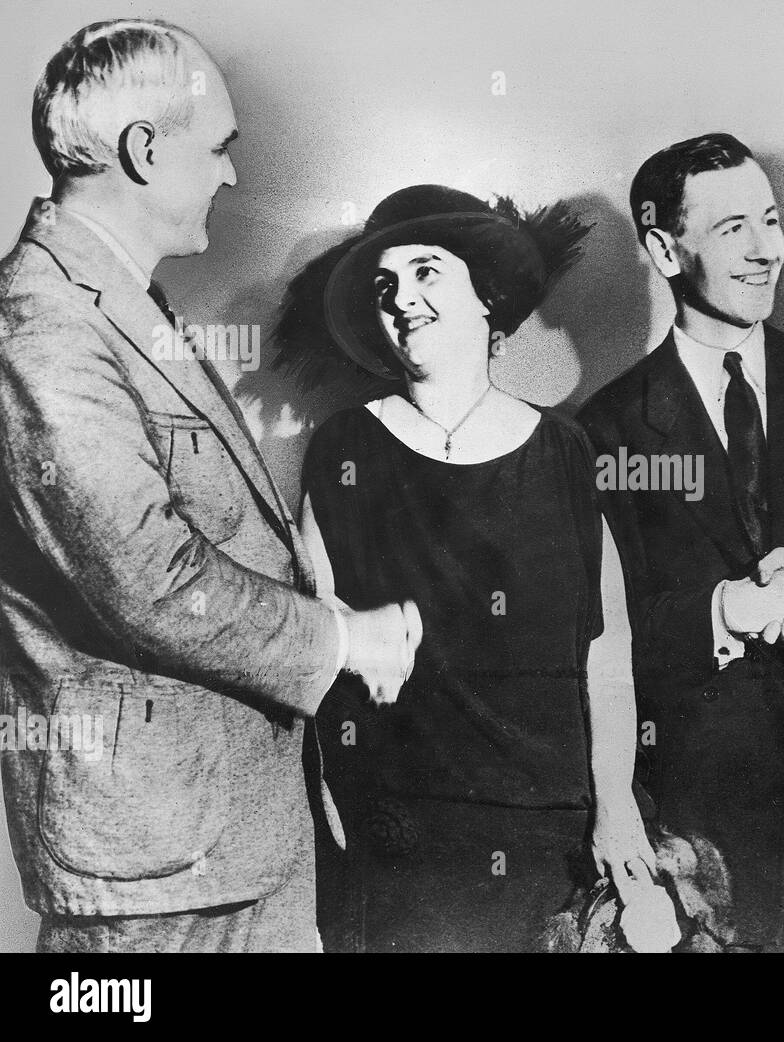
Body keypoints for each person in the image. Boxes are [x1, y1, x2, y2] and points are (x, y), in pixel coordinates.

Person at [0, 19, 418, 953]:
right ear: (143, 152)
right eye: (220, 147)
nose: (231, 176)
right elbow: (147, 577)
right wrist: (342, 637)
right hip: (155, 874)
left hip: (223, 848)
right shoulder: (46, 327)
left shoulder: (116, 302)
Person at [283, 184, 657, 952]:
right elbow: (307, 636)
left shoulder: (566, 453)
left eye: (426, 272)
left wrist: (615, 801)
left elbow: (606, 649)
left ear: (488, 296)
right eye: (384, 286)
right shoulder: (344, 452)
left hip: (552, 833)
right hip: (400, 839)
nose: (403, 300)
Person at [578, 133, 784, 951]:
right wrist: (733, 611)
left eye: (772, 220)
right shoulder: (605, 430)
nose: (768, 252)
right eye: (732, 230)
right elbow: (606, 636)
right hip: (705, 825)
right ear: (663, 246)